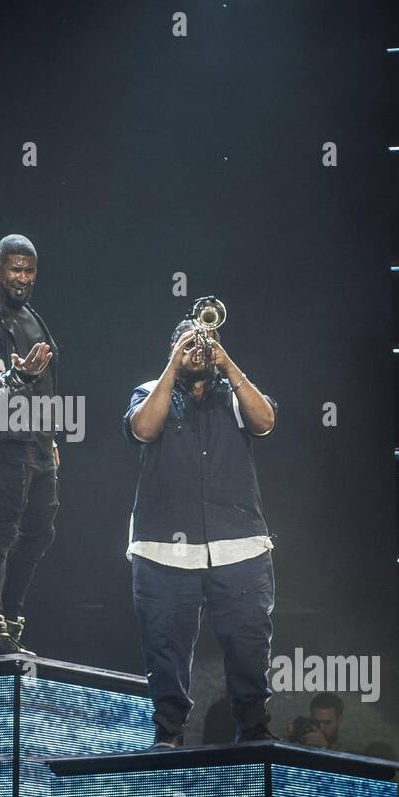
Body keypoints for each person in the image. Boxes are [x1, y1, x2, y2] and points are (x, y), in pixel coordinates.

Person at [123, 315, 278, 748]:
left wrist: (228, 365)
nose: (198, 350)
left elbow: (265, 421)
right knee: (165, 647)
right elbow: (142, 428)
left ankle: (253, 730)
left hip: (239, 546)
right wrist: (172, 369)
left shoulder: (233, 393)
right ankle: (168, 734)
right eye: (187, 344)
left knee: (249, 645)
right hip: (163, 552)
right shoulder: (151, 392)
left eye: (205, 343)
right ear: (172, 350)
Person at [0, 234, 60, 655]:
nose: (21, 278)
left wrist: (50, 436)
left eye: (29, 270)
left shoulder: (29, 314)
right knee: (0, 529)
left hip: (36, 441)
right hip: (4, 440)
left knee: (40, 531)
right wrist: (18, 378)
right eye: (14, 269)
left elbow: (46, 382)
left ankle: (13, 618)